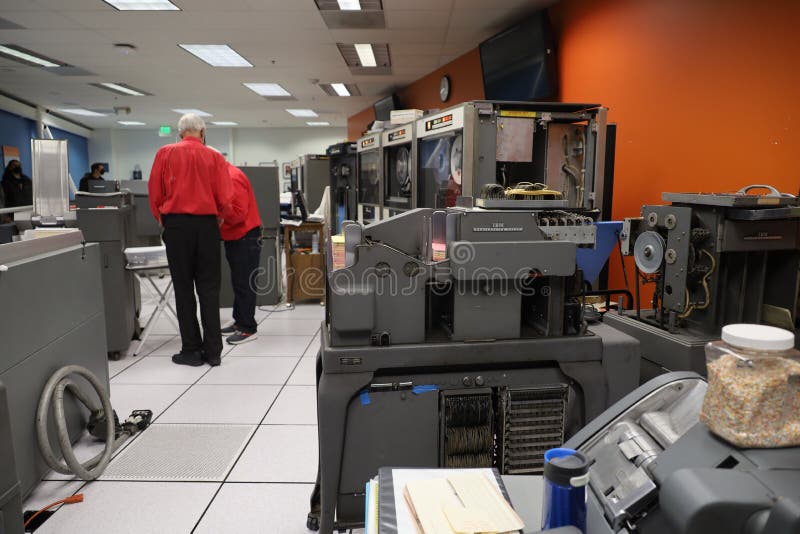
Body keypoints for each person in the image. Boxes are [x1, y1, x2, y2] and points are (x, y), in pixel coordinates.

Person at [148, 114, 232, 367]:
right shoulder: (215, 157)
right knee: (209, 289)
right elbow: (226, 198)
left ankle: (191, 350)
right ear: (203, 131)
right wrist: (217, 220)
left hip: (176, 226)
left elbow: (155, 193)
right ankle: (214, 352)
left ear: (180, 132)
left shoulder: (165, 153)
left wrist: (163, 220)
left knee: (184, 289)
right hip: (207, 226)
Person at [220, 163, 262, 345]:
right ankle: (239, 321)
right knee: (238, 281)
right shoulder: (224, 175)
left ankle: (247, 327)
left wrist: (216, 215)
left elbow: (237, 213)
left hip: (244, 236)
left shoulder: (231, 177)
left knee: (245, 282)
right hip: (235, 236)